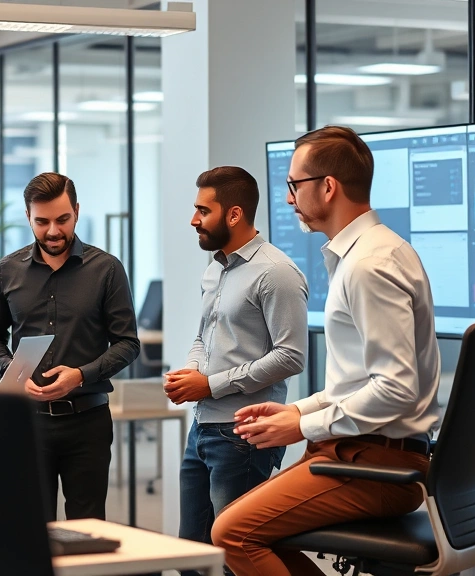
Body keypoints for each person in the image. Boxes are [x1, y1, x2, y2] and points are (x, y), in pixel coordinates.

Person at [211, 126, 441, 576]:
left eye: (295, 184)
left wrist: (303, 426)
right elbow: (354, 382)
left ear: (328, 187)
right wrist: (296, 412)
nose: (289, 197)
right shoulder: (372, 252)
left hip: (378, 462)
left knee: (231, 534)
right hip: (363, 451)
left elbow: (395, 388)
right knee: (241, 526)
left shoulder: (369, 265)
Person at [165, 167, 307, 572]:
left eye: (202, 210)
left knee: (237, 558)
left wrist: (208, 384)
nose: (194, 219)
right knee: (190, 554)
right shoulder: (216, 268)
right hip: (203, 427)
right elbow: (202, 336)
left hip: (243, 436)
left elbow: (290, 356)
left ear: (234, 214)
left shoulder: (276, 273)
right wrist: (190, 375)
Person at [0, 172, 140, 521]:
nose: (53, 231)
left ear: (77, 212)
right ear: (28, 217)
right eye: (42, 221)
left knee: (87, 529)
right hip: (26, 422)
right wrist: (11, 371)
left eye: (62, 219)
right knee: (31, 528)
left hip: (88, 422)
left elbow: (128, 343)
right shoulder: (7, 270)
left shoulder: (107, 270)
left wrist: (81, 375)